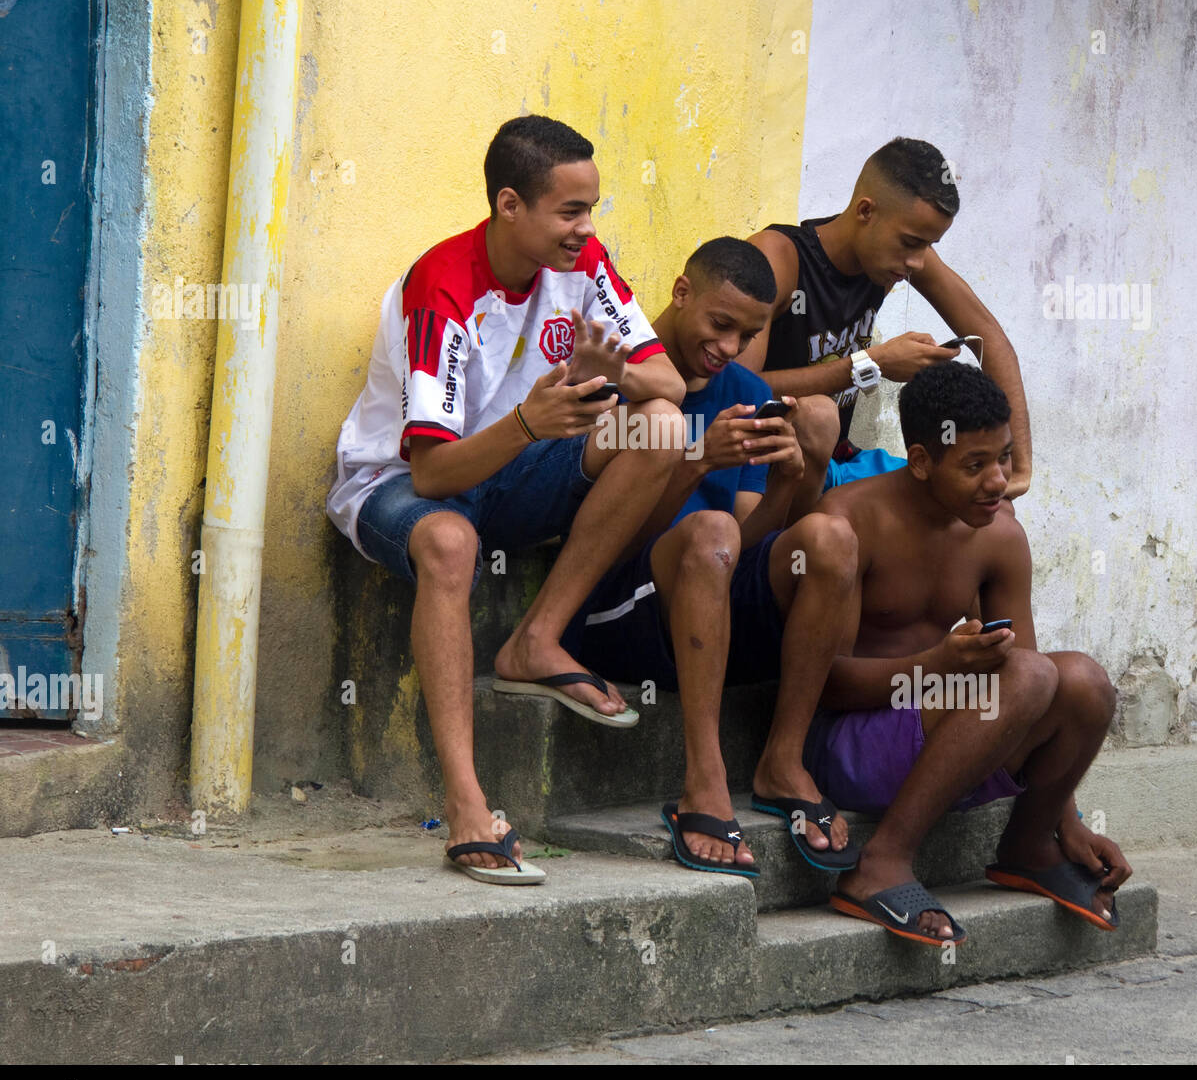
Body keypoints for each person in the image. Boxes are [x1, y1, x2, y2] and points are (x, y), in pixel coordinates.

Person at [326, 115, 686, 886]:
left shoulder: (584, 264)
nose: (586, 229)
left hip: (516, 465)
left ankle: (536, 640)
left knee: (659, 429)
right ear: (509, 205)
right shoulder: (444, 285)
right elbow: (429, 474)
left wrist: (607, 372)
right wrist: (530, 421)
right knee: (451, 540)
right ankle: (466, 805)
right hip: (395, 486)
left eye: (591, 209)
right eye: (570, 211)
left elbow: (669, 383)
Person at [806, 361, 1131, 944]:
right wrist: (934, 669)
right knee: (1031, 676)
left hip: (943, 730)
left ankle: (1031, 844)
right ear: (923, 461)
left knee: (1083, 679)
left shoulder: (998, 535)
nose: (997, 481)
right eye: (974, 465)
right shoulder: (850, 521)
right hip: (849, 742)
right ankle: (882, 860)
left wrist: (1068, 820)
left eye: (1004, 458)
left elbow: (1036, 686)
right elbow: (822, 686)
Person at [565, 237, 859, 876]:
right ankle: (705, 778)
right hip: (622, 609)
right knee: (708, 531)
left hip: (708, 595)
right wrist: (700, 458)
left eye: (748, 333)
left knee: (830, 537)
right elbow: (611, 542)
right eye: (720, 324)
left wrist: (790, 480)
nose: (729, 347)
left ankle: (783, 762)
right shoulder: (624, 380)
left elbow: (745, 544)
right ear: (680, 293)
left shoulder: (747, 390)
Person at [739, 137, 1033, 521]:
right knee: (818, 416)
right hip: (764, 465)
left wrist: (1020, 468)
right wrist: (869, 364)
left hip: (838, 462)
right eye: (911, 242)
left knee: (986, 506)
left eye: (928, 245)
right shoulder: (781, 258)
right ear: (866, 211)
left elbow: (987, 338)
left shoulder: (895, 259)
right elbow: (736, 391)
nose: (916, 261)